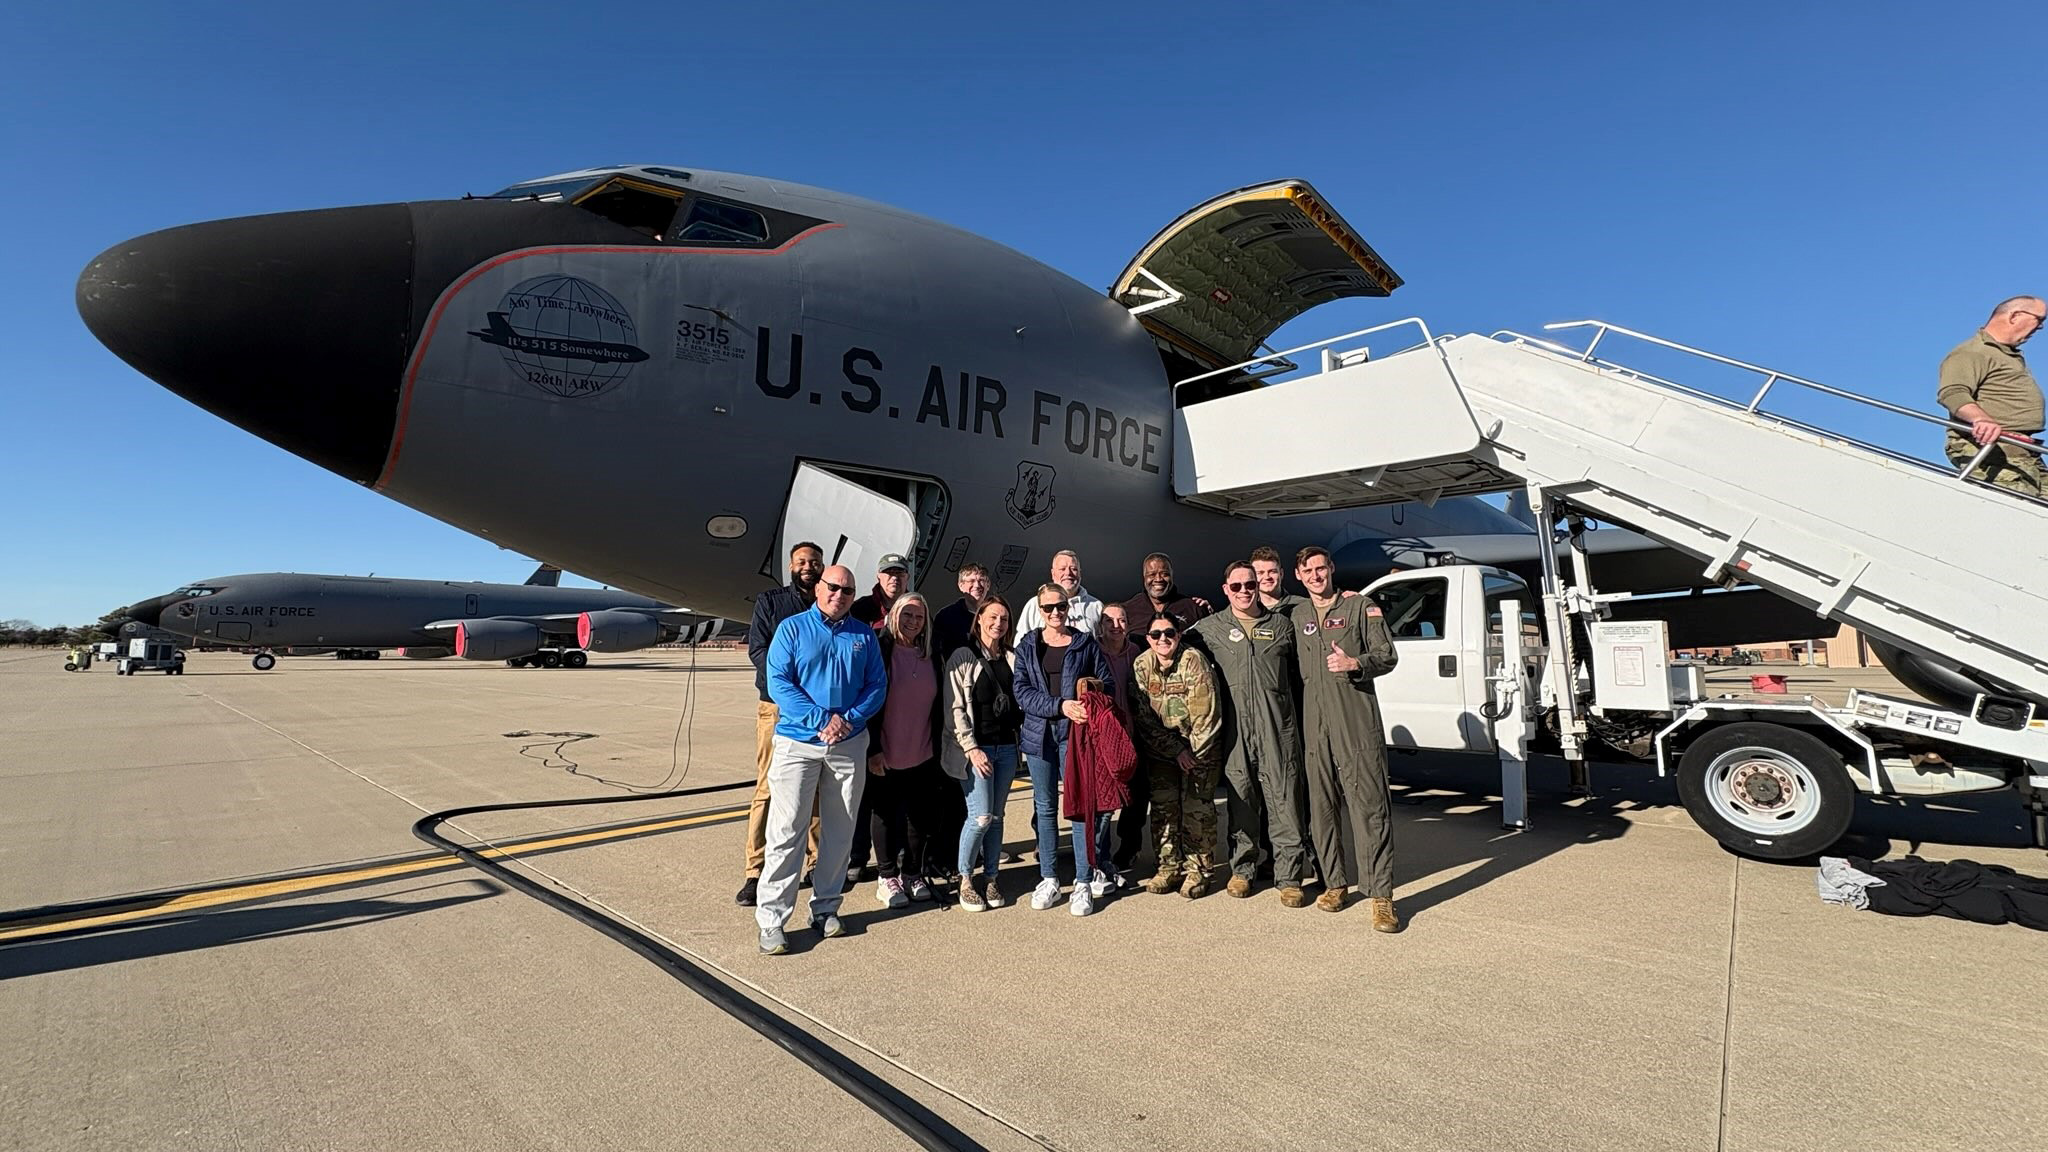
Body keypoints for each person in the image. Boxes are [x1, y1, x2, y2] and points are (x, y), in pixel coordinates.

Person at [755, 565, 888, 955]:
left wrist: (848, 720)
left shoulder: (863, 634)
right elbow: (779, 681)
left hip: (847, 742)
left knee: (840, 831)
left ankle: (826, 908)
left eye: (847, 591)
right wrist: (820, 719)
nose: (840, 595)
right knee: (787, 830)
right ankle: (772, 919)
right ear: (818, 589)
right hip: (799, 742)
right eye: (833, 588)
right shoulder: (792, 629)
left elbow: (876, 685)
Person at [1292, 546, 1402, 932]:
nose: (1317, 576)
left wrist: (1357, 663)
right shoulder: (1299, 614)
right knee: (1321, 806)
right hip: (1315, 723)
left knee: (1369, 805)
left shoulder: (1360, 607)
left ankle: (1381, 895)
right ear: (1300, 575)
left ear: (1331, 569)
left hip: (1355, 718)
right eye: (1310, 571)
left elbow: (1387, 655)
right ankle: (1335, 883)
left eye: (1322, 569)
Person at [1193, 561, 1310, 906]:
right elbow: (1169, 644)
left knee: (1285, 802)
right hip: (1236, 732)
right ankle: (1242, 870)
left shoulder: (1281, 626)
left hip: (1278, 729)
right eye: (1237, 586)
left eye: (1250, 585)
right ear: (1225, 589)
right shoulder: (1210, 628)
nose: (1244, 591)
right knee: (1242, 801)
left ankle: (1289, 876)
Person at [1013, 583, 1115, 915]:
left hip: (1076, 737)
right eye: (1048, 608)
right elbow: (1022, 692)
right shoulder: (1028, 646)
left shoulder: (1084, 644)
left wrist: (1087, 703)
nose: (1055, 613)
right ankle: (1050, 878)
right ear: (1039, 610)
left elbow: (1107, 683)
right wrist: (1060, 705)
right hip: (1039, 735)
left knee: (1079, 808)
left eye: (1060, 607)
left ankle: (1084, 881)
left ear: (1068, 608)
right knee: (1044, 807)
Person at [737, 541, 824, 908]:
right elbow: (758, 650)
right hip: (777, 708)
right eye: (802, 561)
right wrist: (792, 686)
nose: (808, 566)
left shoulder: (825, 603)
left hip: (818, 711)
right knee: (768, 788)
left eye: (814, 562)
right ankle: (754, 871)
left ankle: (816, 864)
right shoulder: (771, 603)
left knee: (816, 787)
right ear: (791, 566)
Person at [1130, 614, 1225, 898]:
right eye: (1156, 634)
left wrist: (1191, 754)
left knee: (1197, 810)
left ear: (1179, 634)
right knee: (1163, 809)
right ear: (1148, 638)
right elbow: (1144, 718)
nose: (1163, 639)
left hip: (1199, 748)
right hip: (1162, 750)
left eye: (1169, 632)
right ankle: (1168, 867)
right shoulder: (1142, 665)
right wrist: (1175, 751)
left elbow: (1206, 714)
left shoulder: (1192, 661)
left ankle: (1199, 870)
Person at [866, 593, 948, 908]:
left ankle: (912, 872)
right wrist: (873, 748)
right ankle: (887, 876)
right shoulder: (881, 649)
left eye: (919, 616)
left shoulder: (931, 654)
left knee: (920, 818)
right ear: (894, 616)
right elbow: (871, 702)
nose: (913, 622)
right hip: (886, 749)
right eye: (907, 615)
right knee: (885, 814)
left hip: (923, 750)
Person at [944, 598, 1023, 912]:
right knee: (980, 817)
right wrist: (971, 748)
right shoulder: (963, 658)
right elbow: (954, 709)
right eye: (992, 617)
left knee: (998, 817)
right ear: (979, 620)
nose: (998, 624)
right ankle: (965, 878)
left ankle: (991, 876)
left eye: (1003, 619)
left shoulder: (1013, 658)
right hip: (976, 750)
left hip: (1006, 748)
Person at [1937, 295, 2046, 498]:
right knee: (2017, 516)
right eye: (2039, 320)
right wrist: (1981, 419)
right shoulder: (1973, 352)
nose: (2040, 328)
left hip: (2024, 452)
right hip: (1993, 451)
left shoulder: (2006, 354)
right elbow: (1952, 393)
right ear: (2015, 315)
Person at [845, 553, 911, 882]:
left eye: (899, 573)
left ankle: (896, 850)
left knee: (894, 793)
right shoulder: (861, 611)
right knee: (863, 794)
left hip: (898, 716)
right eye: (889, 573)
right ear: (879, 577)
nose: (894, 579)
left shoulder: (913, 608)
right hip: (865, 712)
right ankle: (857, 856)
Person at [1011, 550, 1105, 641]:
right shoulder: (1034, 604)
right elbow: (1020, 642)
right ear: (1053, 574)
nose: (1068, 573)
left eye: (1074, 569)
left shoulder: (1096, 606)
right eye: (1062, 569)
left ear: (1080, 573)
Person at [1121, 552, 1212, 639]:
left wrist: (1211, 615)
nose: (1158, 579)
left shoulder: (1194, 608)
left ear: (1172, 575)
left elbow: (1211, 641)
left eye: (1164, 574)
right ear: (1144, 577)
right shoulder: (1127, 611)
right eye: (1152, 574)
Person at [932, 562, 991, 659]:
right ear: (961, 586)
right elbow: (937, 652)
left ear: (988, 585)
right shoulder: (946, 617)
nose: (977, 585)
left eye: (981, 580)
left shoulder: (996, 616)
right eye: (971, 581)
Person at [1250, 545, 1303, 615]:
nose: (1267, 577)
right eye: (1260, 573)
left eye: (1272, 572)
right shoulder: (1246, 609)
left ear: (1281, 574)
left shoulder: (1301, 605)